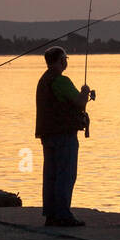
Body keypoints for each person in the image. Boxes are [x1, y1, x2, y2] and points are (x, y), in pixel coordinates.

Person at [35, 45, 92, 226]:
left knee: (51, 175)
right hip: (64, 134)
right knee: (65, 175)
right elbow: (79, 102)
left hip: (47, 134)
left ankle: (51, 214)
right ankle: (63, 214)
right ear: (60, 60)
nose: (66, 61)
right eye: (65, 58)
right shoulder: (61, 80)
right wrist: (85, 92)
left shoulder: (43, 80)